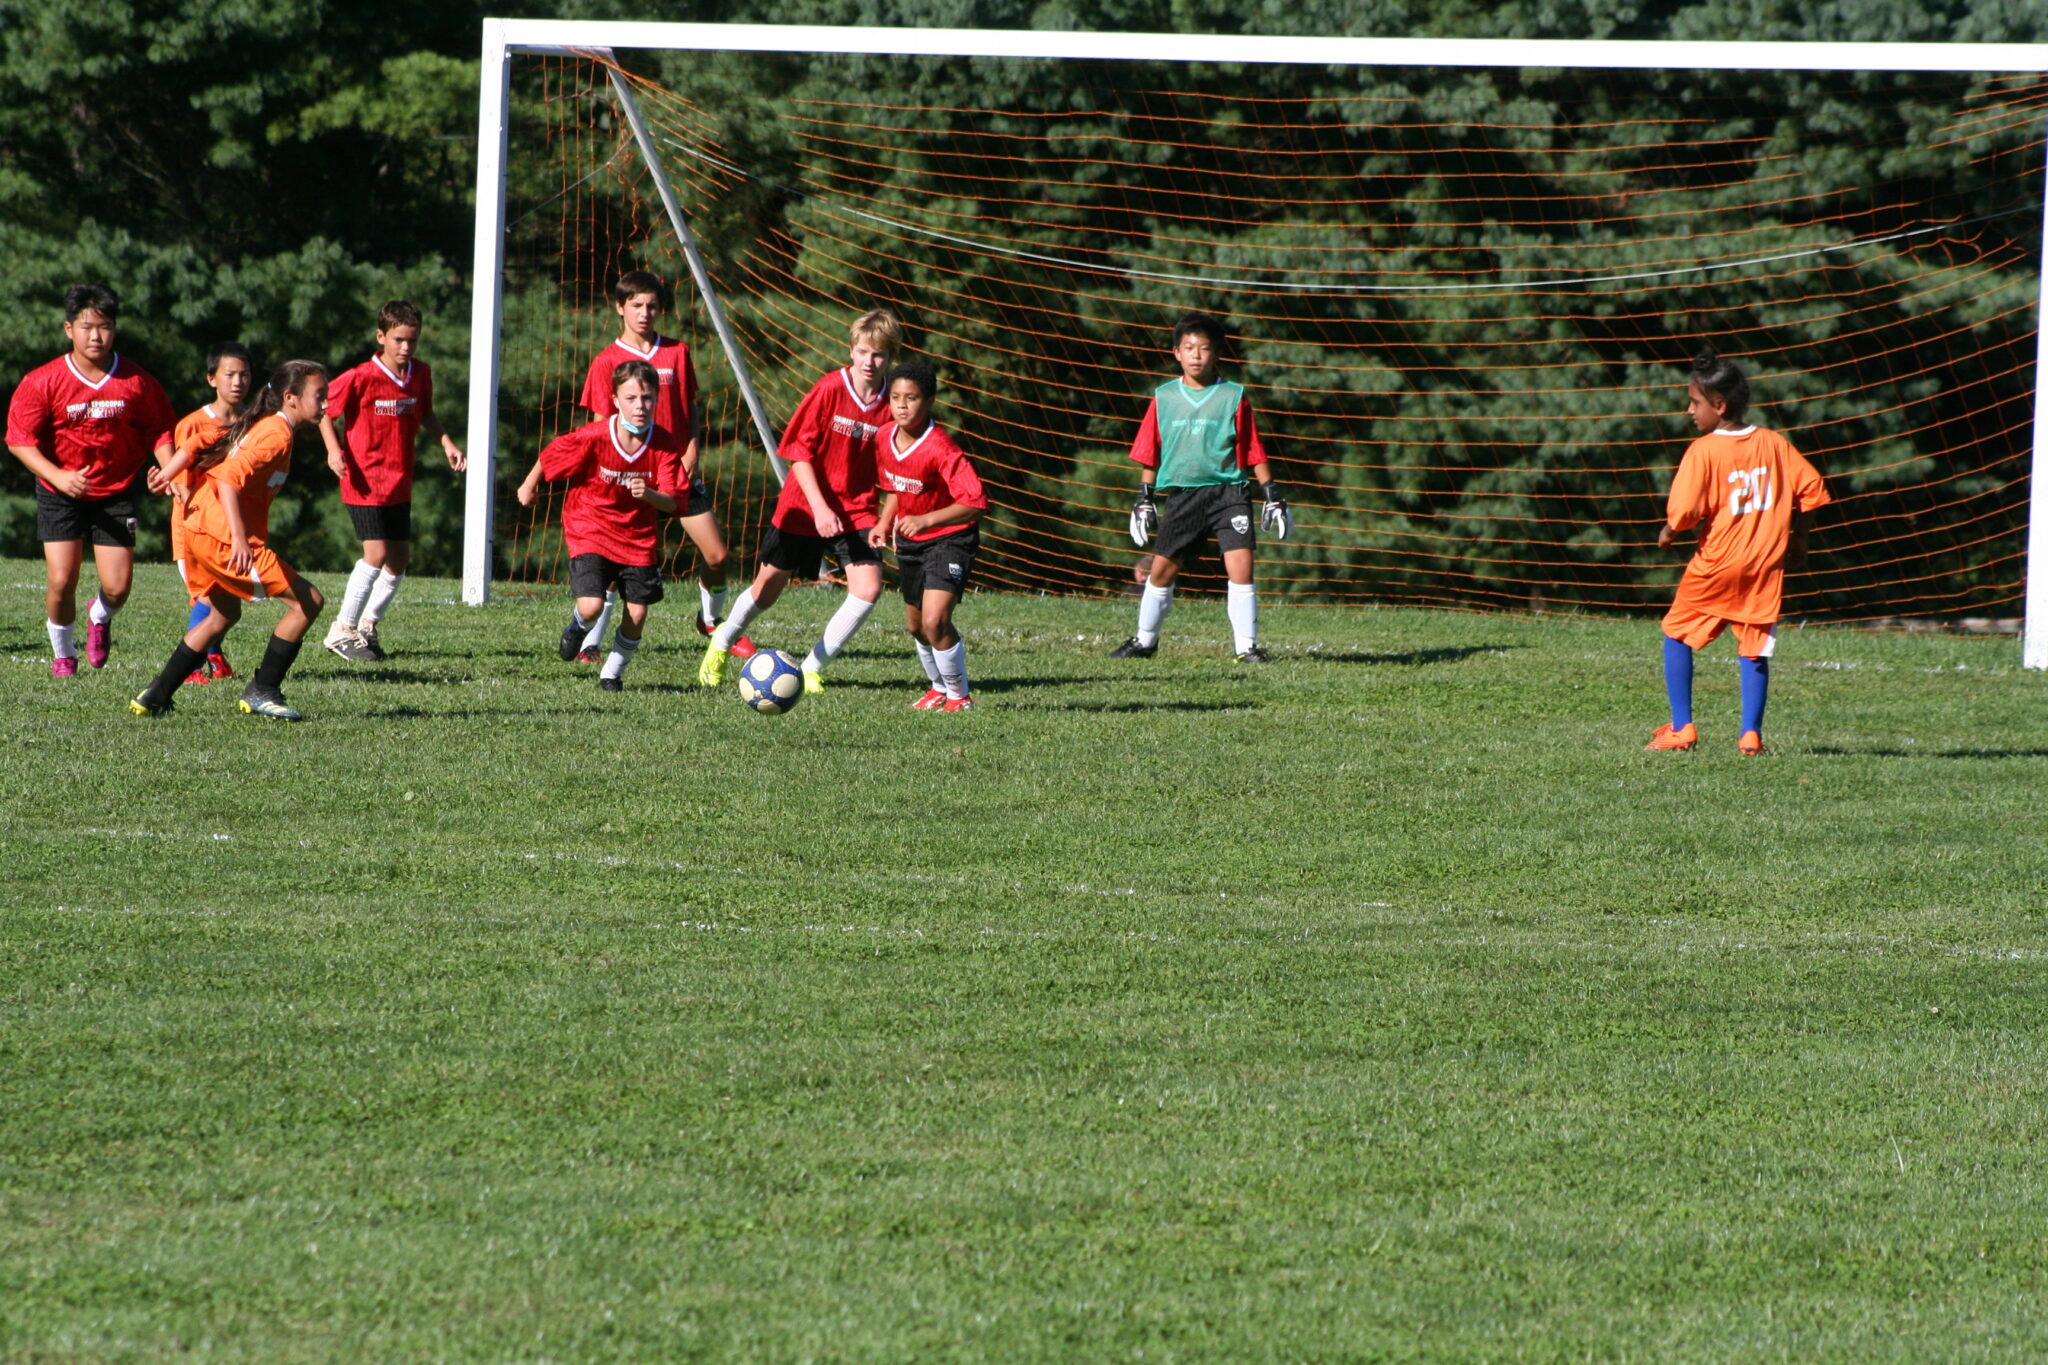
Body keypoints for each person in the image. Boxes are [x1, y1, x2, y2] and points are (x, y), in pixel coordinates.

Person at [533, 269, 732, 662]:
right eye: (637, 305)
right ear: (619, 307)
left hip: (672, 473)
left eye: (652, 305)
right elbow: (595, 430)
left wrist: (691, 451)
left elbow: (689, 409)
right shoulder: (607, 360)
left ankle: (710, 621)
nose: (645, 313)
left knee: (718, 556)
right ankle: (590, 643)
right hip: (623, 480)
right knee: (612, 568)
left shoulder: (677, 352)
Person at [697, 308, 900, 690]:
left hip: (856, 509)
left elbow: (898, 466)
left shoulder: (894, 402)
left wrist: (886, 518)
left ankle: (809, 669)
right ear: (851, 350)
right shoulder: (830, 389)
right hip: (805, 504)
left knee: (869, 589)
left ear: (890, 357)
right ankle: (721, 642)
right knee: (766, 589)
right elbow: (798, 453)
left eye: (878, 354)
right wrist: (820, 508)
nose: (869, 361)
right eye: (862, 351)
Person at [1647, 348, 1831, 755]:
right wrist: (1798, 539)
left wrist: (1669, 532)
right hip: (1765, 565)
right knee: (1755, 646)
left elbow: (1685, 511)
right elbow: (1814, 492)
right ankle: (1750, 735)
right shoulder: (1774, 444)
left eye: (1694, 403)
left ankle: (1682, 728)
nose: (1688, 411)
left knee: (1676, 634)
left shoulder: (1704, 451)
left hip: (1717, 564)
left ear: (1719, 405)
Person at [130, 360, 331, 721]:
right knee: (308, 603)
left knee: (221, 615)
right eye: (320, 396)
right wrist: (240, 539)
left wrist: (167, 474)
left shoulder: (260, 424)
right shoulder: (277, 434)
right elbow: (227, 478)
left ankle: (155, 695)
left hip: (198, 529)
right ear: (291, 398)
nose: (326, 404)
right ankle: (263, 690)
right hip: (223, 537)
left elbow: (198, 442)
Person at [5, 283, 175, 677]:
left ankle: (99, 616)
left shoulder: (137, 382)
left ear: (115, 329)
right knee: (62, 580)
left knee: (117, 587)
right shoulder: (42, 381)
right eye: (87, 327)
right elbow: (19, 440)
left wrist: (169, 472)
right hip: (59, 492)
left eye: (105, 326)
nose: (96, 335)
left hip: (115, 492)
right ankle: (64, 655)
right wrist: (58, 477)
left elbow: (160, 431)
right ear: (69, 330)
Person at [1109, 312, 1289, 664]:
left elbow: (1252, 447)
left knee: (1242, 565)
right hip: (1184, 495)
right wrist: (1144, 498)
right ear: (1176, 352)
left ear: (1217, 352)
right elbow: (1151, 452)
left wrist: (1271, 493)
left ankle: (1246, 648)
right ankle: (1145, 641)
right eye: (1189, 348)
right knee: (1161, 571)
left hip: (1230, 492)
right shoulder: (1164, 397)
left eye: (1204, 349)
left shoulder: (1233, 395)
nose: (1196, 355)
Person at [515, 360, 682, 692]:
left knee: (637, 614)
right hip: (589, 525)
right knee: (591, 605)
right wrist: (530, 484)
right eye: (631, 398)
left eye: (647, 398)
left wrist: (649, 494)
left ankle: (612, 674)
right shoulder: (594, 436)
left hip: (637, 537)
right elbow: (552, 453)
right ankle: (578, 628)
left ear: (657, 399)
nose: (640, 406)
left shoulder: (664, 444)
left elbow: (674, 502)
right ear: (616, 400)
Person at [319, 300, 466, 662]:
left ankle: (367, 626)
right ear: (380, 336)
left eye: (412, 341)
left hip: (399, 480)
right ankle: (341, 629)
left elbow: (426, 411)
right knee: (377, 553)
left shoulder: (420, 373)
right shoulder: (360, 376)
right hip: (364, 480)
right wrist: (333, 449)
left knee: (399, 558)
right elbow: (323, 409)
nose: (405, 348)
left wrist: (446, 442)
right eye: (399, 339)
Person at [868, 358, 987, 710]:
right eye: (896, 398)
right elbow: (895, 488)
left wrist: (926, 520)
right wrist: (883, 522)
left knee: (936, 620)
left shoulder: (941, 448)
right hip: (911, 544)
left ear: (929, 400)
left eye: (912, 398)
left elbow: (976, 501)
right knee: (917, 627)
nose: (902, 406)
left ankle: (960, 696)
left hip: (950, 539)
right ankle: (938, 688)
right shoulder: (884, 437)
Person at [154, 341, 254, 685]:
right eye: (229, 374)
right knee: (206, 598)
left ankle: (213, 653)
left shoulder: (251, 424)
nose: (237, 381)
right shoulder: (193, 425)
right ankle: (194, 667)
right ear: (212, 378)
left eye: (244, 374)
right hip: (193, 528)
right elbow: (180, 485)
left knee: (228, 602)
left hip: (229, 530)